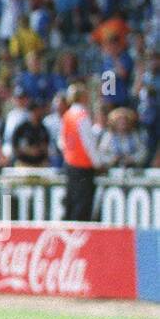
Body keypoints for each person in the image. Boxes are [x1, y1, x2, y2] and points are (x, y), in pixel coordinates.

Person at [58, 82, 100, 220]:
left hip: (70, 164)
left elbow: (61, 142)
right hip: (83, 166)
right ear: (83, 97)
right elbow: (89, 143)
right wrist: (97, 163)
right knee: (82, 205)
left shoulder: (67, 115)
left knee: (71, 202)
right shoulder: (82, 115)